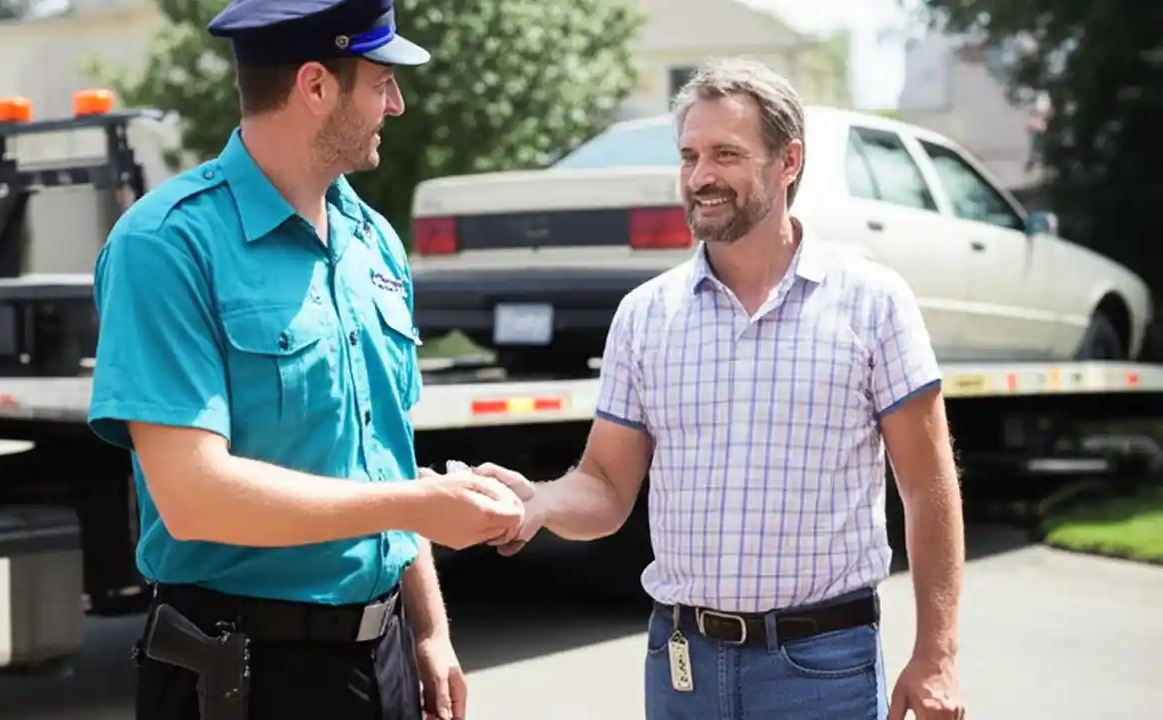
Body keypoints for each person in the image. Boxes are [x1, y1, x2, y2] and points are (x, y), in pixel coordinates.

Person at [476, 58, 968, 720]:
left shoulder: (873, 302)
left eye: (726, 155)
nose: (700, 177)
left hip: (822, 667)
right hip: (682, 666)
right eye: (689, 156)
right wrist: (537, 503)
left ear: (787, 161)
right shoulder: (647, 315)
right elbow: (605, 486)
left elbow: (928, 489)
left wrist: (936, 655)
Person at [85, 1, 524, 718]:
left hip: (382, 658)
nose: (397, 103)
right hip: (241, 672)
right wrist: (421, 504)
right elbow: (192, 496)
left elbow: (387, 453)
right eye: (381, 81)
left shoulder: (374, 240)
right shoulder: (166, 244)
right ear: (315, 86)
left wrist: (430, 630)